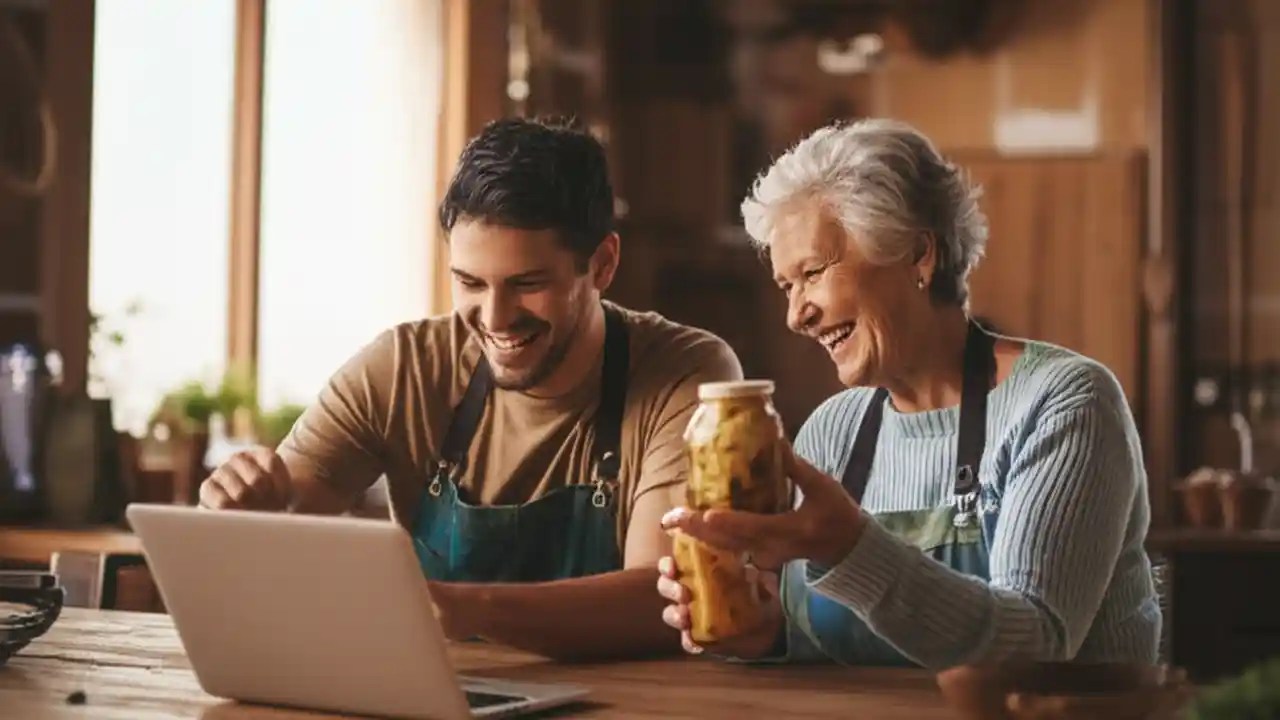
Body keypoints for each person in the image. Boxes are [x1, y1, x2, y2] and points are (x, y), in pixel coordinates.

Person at [199, 117, 743, 661]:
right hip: (435, 695)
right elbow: (284, 519)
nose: (495, 318)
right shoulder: (403, 368)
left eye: (527, 285)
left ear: (601, 265)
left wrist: (467, 609)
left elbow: (661, 597)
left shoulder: (685, 372)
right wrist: (245, 511)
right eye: (469, 282)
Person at [656, 119, 1161, 669]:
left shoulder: (1062, 403)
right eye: (786, 285)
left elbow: (1033, 647)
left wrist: (849, 547)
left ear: (919, 254)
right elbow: (834, 645)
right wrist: (765, 631)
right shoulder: (834, 430)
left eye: (813, 273)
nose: (796, 315)